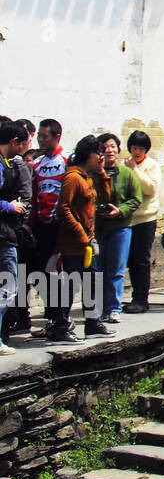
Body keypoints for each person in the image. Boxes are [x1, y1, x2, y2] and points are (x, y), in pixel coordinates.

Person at [54, 134, 111, 338]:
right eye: (99, 155)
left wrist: (102, 173)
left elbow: (105, 196)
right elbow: (64, 208)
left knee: (92, 281)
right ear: (90, 154)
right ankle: (60, 326)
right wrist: (80, 234)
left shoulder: (88, 177)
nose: (100, 158)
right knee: (71, 284)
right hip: (74, 243)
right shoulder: (73, 178)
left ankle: (93, 322)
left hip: (89, 241)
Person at [94, 133, 142, 323]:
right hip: (98, 228)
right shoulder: (93, 174)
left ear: (118, 150)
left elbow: (136, 199)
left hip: (120, 228)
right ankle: (98, 308)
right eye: (105, 147)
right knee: (98, 269)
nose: (109, 150)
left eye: (113, 146)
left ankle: (114, 307)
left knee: (116, 269)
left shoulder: (127, 174)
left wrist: (120, 211)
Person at [26, 119, 67, 337]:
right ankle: (53, 318)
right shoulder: (38, 164)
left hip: (60, 228)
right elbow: (33, 199)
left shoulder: (67, 162)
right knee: (40, 272)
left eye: (45, 136)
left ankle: (61, 320)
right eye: (39, 136)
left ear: (57, 137)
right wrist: (31, 227)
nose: (41, 140)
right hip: (41, 228)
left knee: (56, 272)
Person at [0, 121, 33, 353]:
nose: (22, 152)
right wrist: (10, 207)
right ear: (14, 142)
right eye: (21, 146)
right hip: (3, 235)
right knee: (6, 287)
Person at [120, 131, 161, 313]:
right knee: (129, 260)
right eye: (134, 147)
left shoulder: (152, 166)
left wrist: (135, 170)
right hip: (128, 219)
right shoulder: (124, 165)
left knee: (141, 260)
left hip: (146, 218)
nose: (137, 152)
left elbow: (150, 189)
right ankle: (130, 297)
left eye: (141, 148)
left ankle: (141, 299)